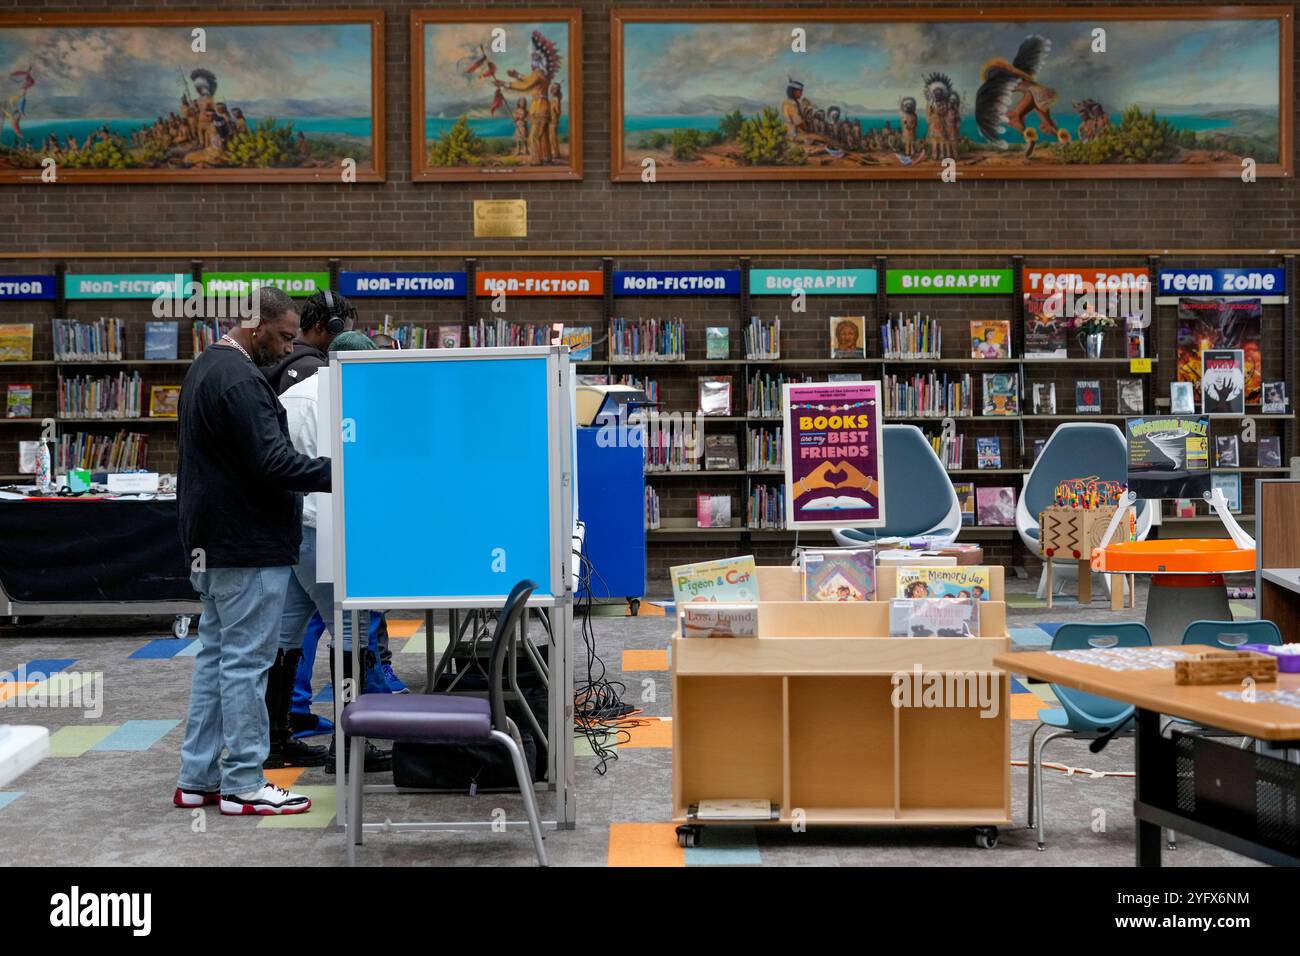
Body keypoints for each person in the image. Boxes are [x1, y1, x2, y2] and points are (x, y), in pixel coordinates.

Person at [174, 286, 330, 816]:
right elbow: (275, 464)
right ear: (255, 326)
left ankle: (197, 778)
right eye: (285, 336)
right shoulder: (240, 379)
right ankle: (243, 783)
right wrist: (345, 472)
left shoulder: (205, 368)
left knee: (217, 659)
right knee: (246, 665)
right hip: (246, 546)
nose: (289, 349)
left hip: (212, 544)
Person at [275, 329, 394, 774]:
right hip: (330, 531)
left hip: (292, 529)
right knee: (350, 632)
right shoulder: (352, 399)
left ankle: (276, 739)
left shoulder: (293, 395)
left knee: (286, 637)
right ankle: (347, 748)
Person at [262, 289, 356, 395]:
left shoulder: (269, 360)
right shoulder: (319, 372)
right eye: (343, 334)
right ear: (319, 327)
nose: (346, 339)